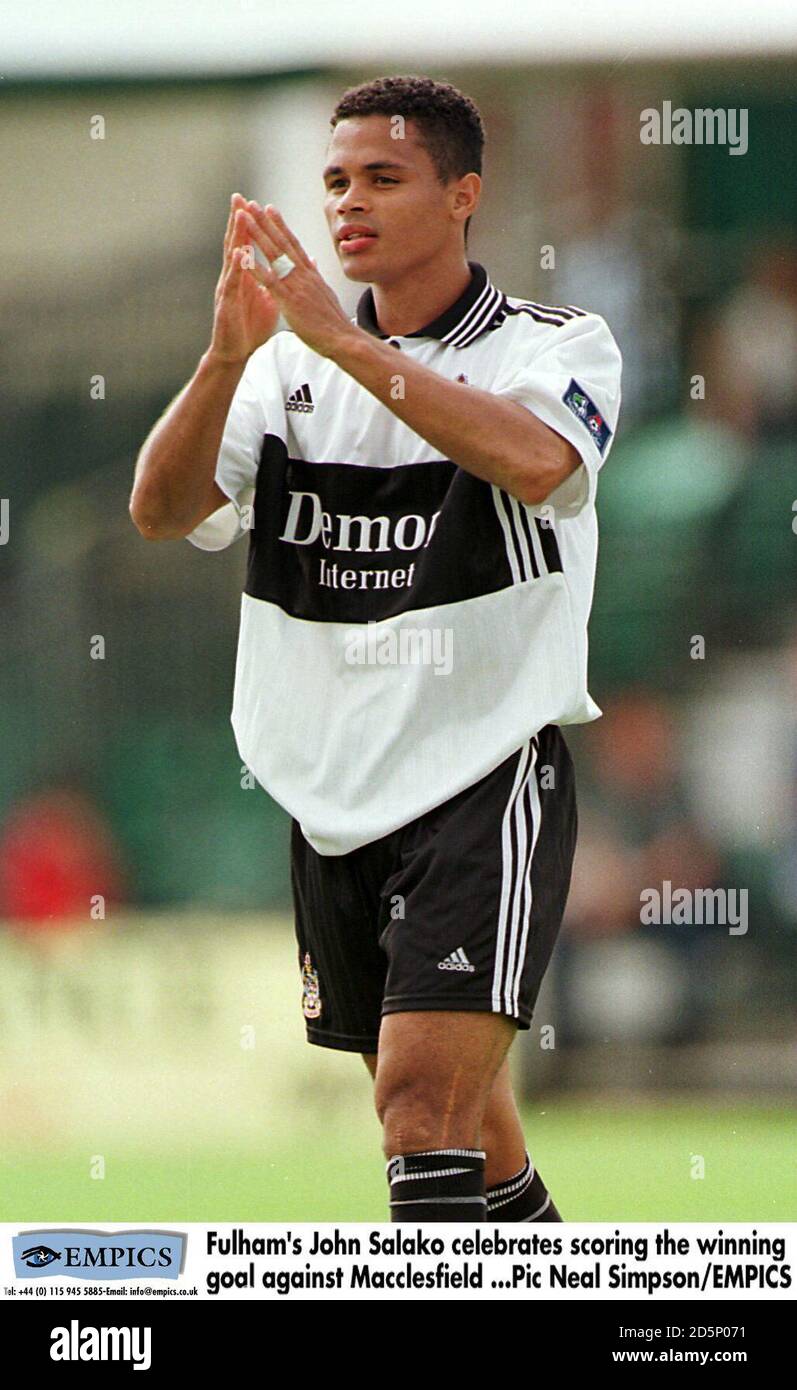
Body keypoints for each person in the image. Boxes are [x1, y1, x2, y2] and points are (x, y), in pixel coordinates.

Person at [129, 74, 622, 1222]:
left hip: (481, 774)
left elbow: (537, 464)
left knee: (416, 1109)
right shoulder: (280, 367)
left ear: (462, 195)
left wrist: (345, 346)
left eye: (382, 178)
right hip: (332, 794)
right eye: (335, 181)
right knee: (472, 1137)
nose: (348, 202)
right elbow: (161, 510)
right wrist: (224, 357)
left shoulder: (552, 345)